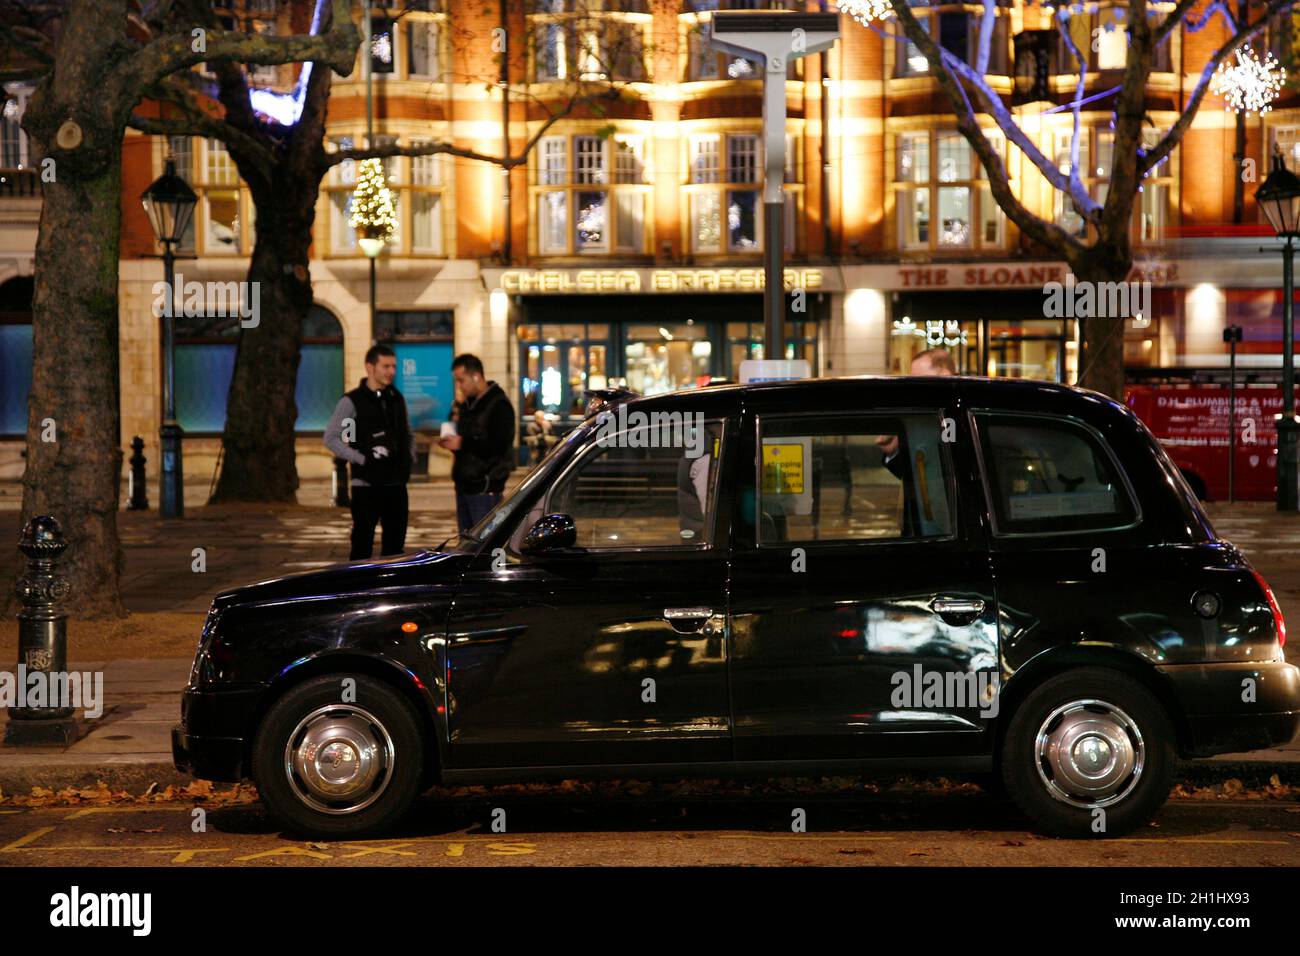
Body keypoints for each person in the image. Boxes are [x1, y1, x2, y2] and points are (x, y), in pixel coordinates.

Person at [324, 344, 417, 560]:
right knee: (362, 545)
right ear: (370, 367)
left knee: (395, 549)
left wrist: (408, 459)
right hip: (366, 486)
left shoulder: (396, 398)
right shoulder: (352, 401)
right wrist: (361, 459)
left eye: (394, 366)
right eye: (385, 366)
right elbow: (332, 438)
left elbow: (408, 432)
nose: (391, 371)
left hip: (396, 484)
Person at [879, 348, 956, 536]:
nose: (915, 389)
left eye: (920, 380)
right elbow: (916, 475)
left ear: (945, 376)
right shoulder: (921, 418)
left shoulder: (956, 418)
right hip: (923, 531)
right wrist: (893, 452)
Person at [438, 353, 516, 533]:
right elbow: (468, 442)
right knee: (466, 548)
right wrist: (453, 445)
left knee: (482, 547)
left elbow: (499, 446)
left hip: (485, 489)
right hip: (465, 486)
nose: (459, 386)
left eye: (461, 380)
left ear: (476, 376)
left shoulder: (499, 405)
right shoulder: (468, 405)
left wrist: (463, 444)